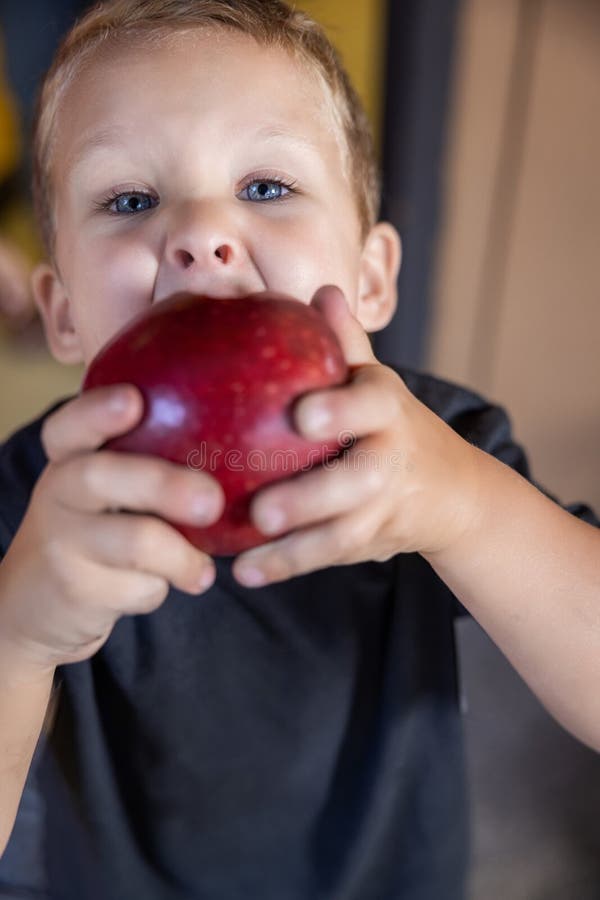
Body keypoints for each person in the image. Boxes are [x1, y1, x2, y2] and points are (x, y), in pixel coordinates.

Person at [0, 1, 598, 897]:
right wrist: (16, 637)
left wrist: (471, 510)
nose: (202, 234)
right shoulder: (40, 505)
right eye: (130, 199)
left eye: (266, 187)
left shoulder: (425, 453)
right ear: (63, 313)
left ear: (371, 277)